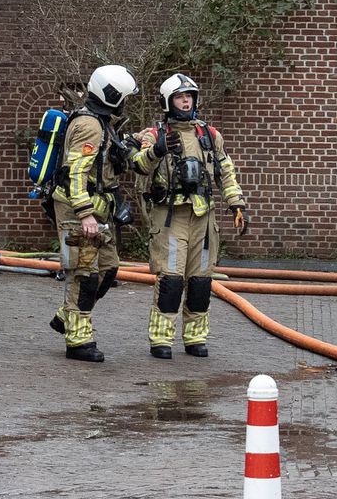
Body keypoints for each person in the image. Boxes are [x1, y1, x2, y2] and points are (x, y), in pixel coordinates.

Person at [133, 72, 247, 358]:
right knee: (170, 280)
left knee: (200, 281)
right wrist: (156, 151)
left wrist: (236, 204)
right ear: (168, 101)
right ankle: (161, 339)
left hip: (204, 219)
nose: (186, 101)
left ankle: (195, 337)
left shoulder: (209, 135)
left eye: (189, 96)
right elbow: (138, 166)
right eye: (180, 97)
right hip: (171, 217)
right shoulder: (154, 135)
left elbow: (226, 171)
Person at [49, 64, 140, 362]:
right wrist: (85, 214)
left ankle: (67, 316)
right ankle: (78, 340)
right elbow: (76, 174)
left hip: (98, 210)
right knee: (83, 275)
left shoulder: (103, 123)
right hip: (79, 210)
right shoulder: (89, 125)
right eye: (124, 97)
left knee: (108, 268)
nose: (126, 103)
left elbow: (106, 163)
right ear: (112, 95)